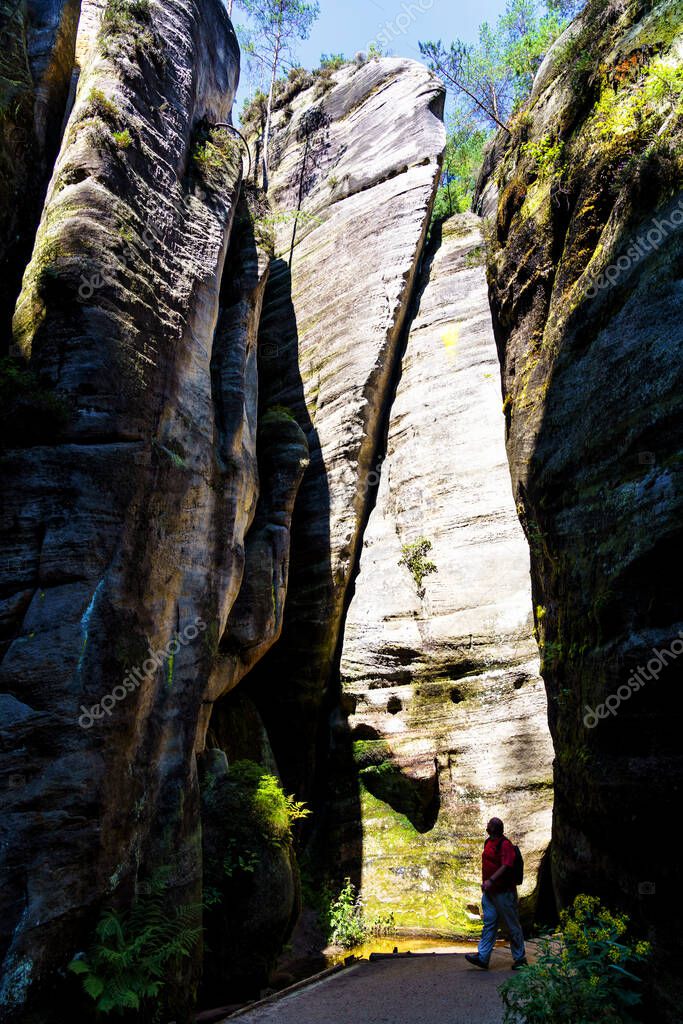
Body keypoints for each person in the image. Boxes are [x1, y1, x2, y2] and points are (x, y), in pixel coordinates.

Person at [465, 816, 527, 970]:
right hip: (490, 893)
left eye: (489, 824)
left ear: (494, 828)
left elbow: (506, 865)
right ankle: (483, 957)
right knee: (489, 924)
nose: (487, 825)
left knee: (512, 925)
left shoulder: (505, 845)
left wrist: (491, 880)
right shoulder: (488, 842)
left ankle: (520, 959)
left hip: (504, 893)